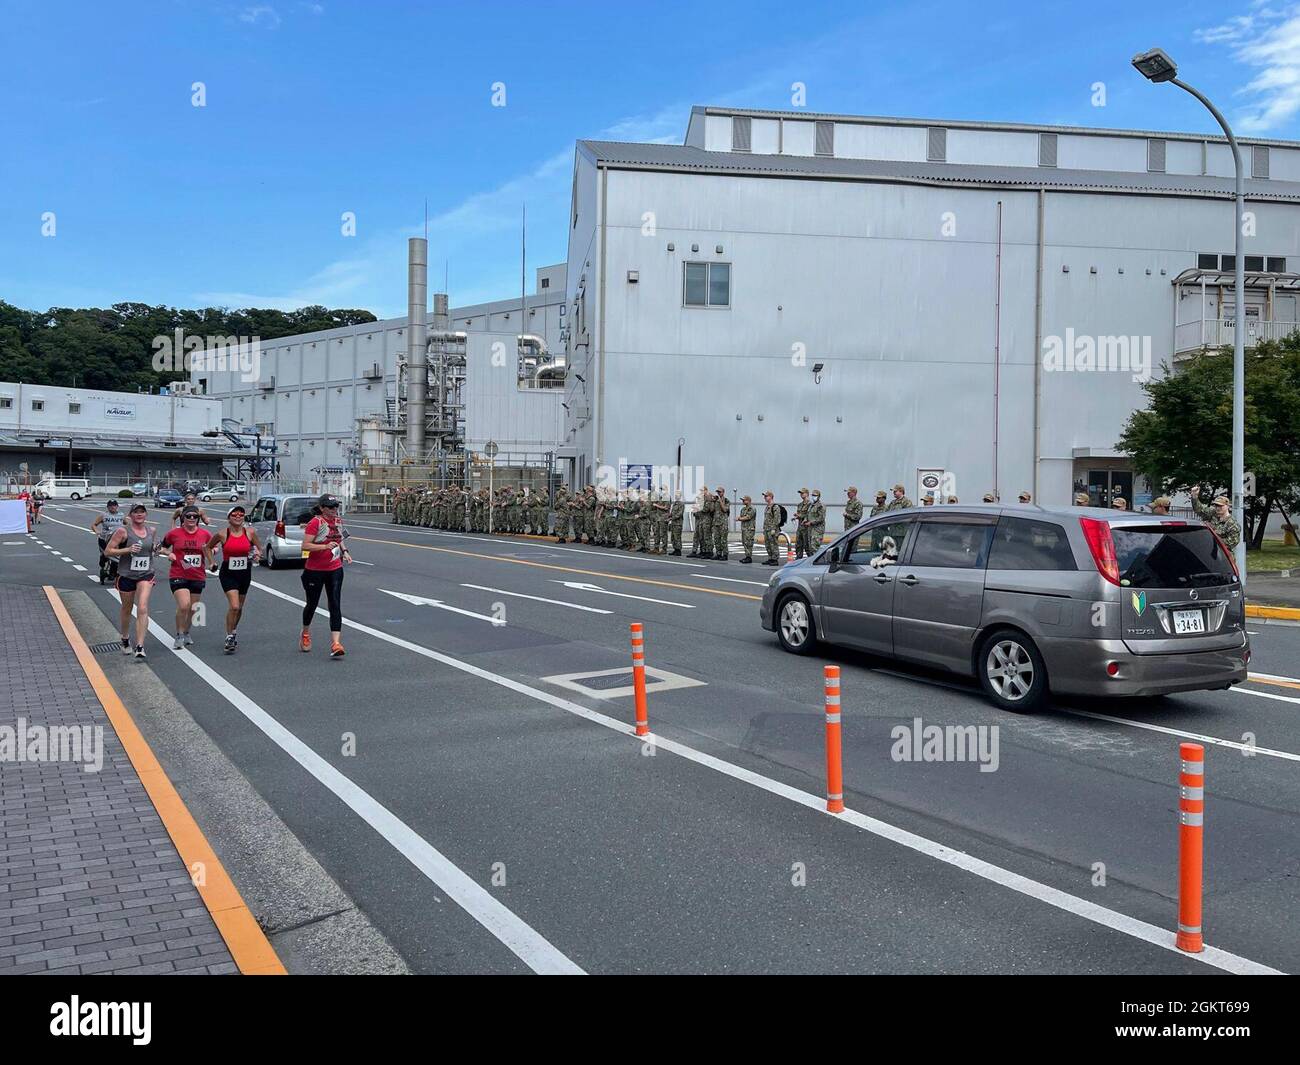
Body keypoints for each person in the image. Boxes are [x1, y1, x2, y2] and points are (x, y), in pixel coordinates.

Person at [104, 503, 160, 659]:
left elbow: (152, 550)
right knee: (127, 609)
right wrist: (127, 550)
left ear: (146, 514)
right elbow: (108, 551)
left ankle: (140, 646)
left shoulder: (152, 530)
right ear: (130, 515)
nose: (139, 514)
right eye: (136, 512)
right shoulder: (123, 531)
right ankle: (125, 637)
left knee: (142, 607)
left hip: (146, 574)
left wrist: (157, 550)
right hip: (127, 574)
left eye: (142, 512)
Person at [300, 494, 351, 658]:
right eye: (330, 507)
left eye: (336, 506)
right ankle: (305, 633)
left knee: (335, 603)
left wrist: (345, 552)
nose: (334, 510)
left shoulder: (337, 521)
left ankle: (336, 643)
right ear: (322, 508)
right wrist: (324, 547)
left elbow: (339, 538)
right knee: (312, 604)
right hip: (314, 570)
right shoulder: (315, 523)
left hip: (335, 568)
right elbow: (305, 546)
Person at [207, 505, 263, 654]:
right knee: (234, 606)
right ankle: (229, 636)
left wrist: (257, 553)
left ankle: (233, 630)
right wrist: (211, 562)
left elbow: (259, 547)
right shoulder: (222, 534)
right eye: (234, 515)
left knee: (239, 608)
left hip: (245, 572)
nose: (238, 517)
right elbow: (207, 547)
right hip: (228, 573)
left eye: (241, 514)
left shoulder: (250, 532)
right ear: (228, 518)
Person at [160, 505, 212, 650]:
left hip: (197, 574)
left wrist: (213, 550)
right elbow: (160, 547)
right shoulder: (174, 534)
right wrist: (168, 553)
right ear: (183, 518)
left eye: (194, 516)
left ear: (198, 519)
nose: (191, 519)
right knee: (184, 605)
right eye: (188, 516)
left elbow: (213, 547)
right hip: (179, 573)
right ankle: (179, 634)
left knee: (193, 609)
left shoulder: (205, 534)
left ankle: (187, 631)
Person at [1189, 486, 1241, 551]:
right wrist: (1194, 497)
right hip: (1207, 551)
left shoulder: (1232, 524)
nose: (1218, 508)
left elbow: (1231, 543)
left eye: (1220, 506)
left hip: (1222, 556)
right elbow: (1199, 509)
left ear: (1227, 506)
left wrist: (1212, 538)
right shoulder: (1213, 513)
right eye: (1216, 505)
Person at [91, 499, 126, 585]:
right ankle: (103, 560)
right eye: (110, 506)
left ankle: (113, 573)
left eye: (114, 505)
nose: (112, 507)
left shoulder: (121, 515)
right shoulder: (104, 515)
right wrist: (97, 531)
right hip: (105, 538)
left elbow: (127, 524)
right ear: (108, 507)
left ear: (117, 506)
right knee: (107, 555)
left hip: (118, 540)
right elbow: (94, 525)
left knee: (117, 556)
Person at [762, 490, 783, 565]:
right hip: (767, 529)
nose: (764, 497)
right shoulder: (767, 507)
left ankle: (775, 559)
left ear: (771, 497)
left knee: (773, 544)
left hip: (773, 529)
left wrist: (774, 528)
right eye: (764, 496)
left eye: (766, 496)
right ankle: (770, 558)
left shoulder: (775, 507)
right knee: (768, 544)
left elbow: (777, 519)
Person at [737, 495, 757, 563]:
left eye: (744, 500)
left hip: (749, 529)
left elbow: (748, 517)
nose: (743, 501)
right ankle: (747, 556)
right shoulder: (743, 509)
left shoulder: (752, 508)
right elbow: (742, 516)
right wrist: (740, 518)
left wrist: (739, 519)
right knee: (744, 542)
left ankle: (749, 557)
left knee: (749, 543)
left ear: (748, 501)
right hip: (744, 528)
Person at [794, 488, 812, 559]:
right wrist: (796, 517)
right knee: (798, 544)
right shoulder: (800, 505)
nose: (801, 494)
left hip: (806, 528)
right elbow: (800, 515)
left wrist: (800, 516)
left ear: (807, 494)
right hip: (800, 527)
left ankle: (811, 559)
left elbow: (809, 515)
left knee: (807, 545)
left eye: (803, 493)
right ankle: (798, 558)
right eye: (800, 493)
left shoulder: (810, 504)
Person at [713, 487, 730, 560]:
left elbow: (725, 509)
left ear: (723, 492)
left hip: (723, 523)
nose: (718, 493)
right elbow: (712, 510)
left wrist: (720, 501)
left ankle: (725, 554)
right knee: (717, 539)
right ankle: (718, 553)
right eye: (718, 492)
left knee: (723, 540)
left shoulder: (726, 500)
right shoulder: (716, 501)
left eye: (720, 492)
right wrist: (712, 501)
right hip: (716, 522)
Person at [668, 492, 685, 556]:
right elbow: (672, 512)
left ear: (680, 496)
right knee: (673, 537)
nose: (676, 496)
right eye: (675, 495)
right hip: (673, 523)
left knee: (677, 537)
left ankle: (678, 550)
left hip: (678, 523)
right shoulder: (674, 503)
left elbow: (680, 514)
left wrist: (672, 518)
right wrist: (669, 516)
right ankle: (675, 549)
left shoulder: (681, 504)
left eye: (677, 495)